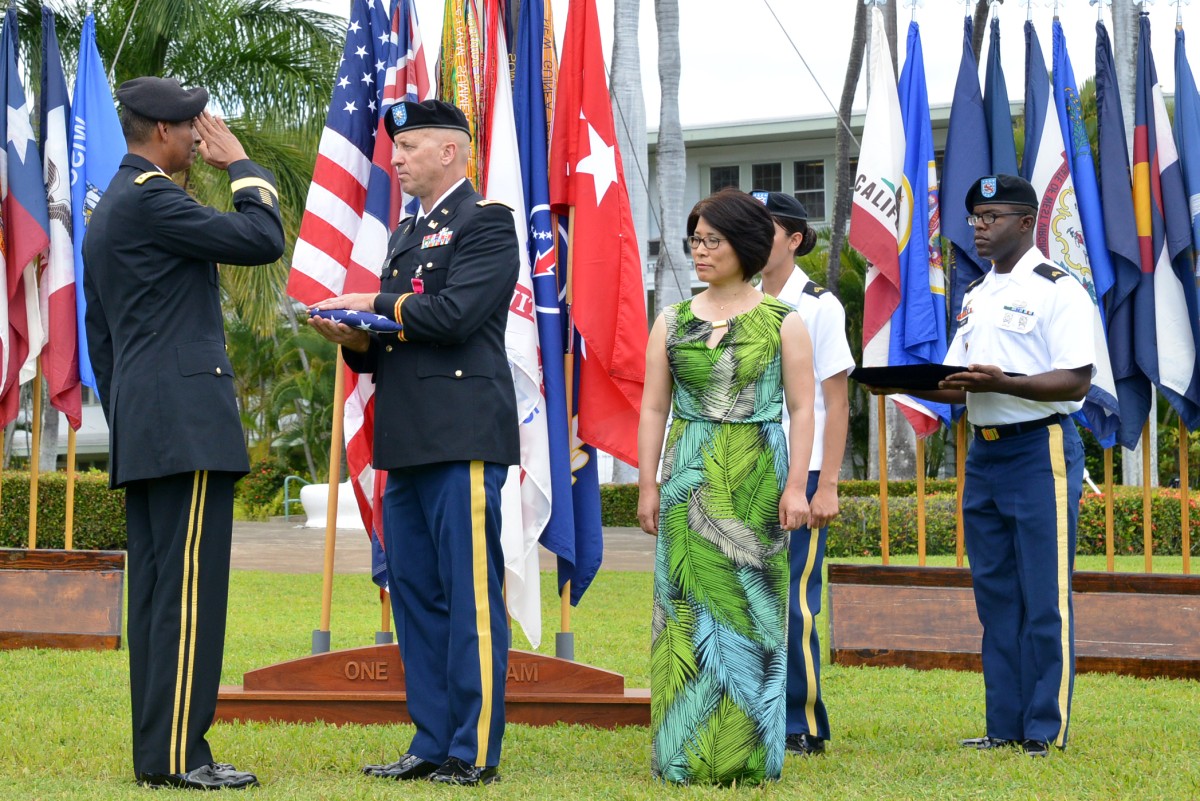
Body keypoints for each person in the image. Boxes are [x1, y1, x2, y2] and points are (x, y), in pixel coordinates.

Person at [83, 77, 285, 789]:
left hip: (149, 425)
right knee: (187, 596)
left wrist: (136, 412)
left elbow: (101, 337)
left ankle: (159, 753)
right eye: (193, 129)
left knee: (155, 598)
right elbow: (262, 238)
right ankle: (180, 757)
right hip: (187, 426)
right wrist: (242, 166)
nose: (202, 141)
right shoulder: (153, 198)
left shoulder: (110, 205)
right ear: (163, 132)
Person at [308, 98, 517, 787]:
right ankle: (431, 740)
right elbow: (391, 344)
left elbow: (455, 316)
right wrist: (353, 337)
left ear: (450, 152)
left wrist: (372, 305)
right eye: (395, 148)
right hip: (405, 440)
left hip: (461, 437)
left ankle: (473, 749)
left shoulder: (487, 223)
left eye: (409, 147)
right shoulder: (405, 233)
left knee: (470, 599)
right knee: (416, 599)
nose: (395, 158)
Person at [869, 174, 1092, 757]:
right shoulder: (976, 293)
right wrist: (897, 383)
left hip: (1039, 448)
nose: (980, 227)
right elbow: (958, 382)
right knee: (995, 597)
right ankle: (1004, 726)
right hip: (986, 452)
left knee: (1043, 596)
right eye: (975, 218)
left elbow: (1076, 380)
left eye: (993, 217)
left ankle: (1044, 729)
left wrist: (1006, 383)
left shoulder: (1058, 289)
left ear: (1027, 222)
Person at [637, 187, 815, 785]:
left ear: (745, 245)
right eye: (696, 240)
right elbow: (653, 407)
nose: (700, 250)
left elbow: (803, 408)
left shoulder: (783, 322)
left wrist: (797, 486)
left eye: (712, 240)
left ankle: (751, 753)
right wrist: (648, 485)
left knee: (754, 609)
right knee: (685, 609)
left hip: (756, 473)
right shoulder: (672, 320)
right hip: (687, 474)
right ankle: (680, 753)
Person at [754, 191, 853, 757]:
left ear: (794, 239)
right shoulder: (737, 300)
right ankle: (753, 713)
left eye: (764, 229)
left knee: (794, 599)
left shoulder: (819, 306)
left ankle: (801, 721)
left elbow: (835, 403)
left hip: (802, 470)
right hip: (746, 466)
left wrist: (828, 484)